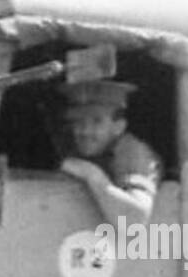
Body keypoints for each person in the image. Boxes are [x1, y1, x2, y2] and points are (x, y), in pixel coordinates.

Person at [59, 78, 161, 223]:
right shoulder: (75, 146)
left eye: (97, 121)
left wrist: (92, 174)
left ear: (118, 127)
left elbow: (134, 220)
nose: (85, 131)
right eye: (79, 121)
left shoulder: (132, 151)